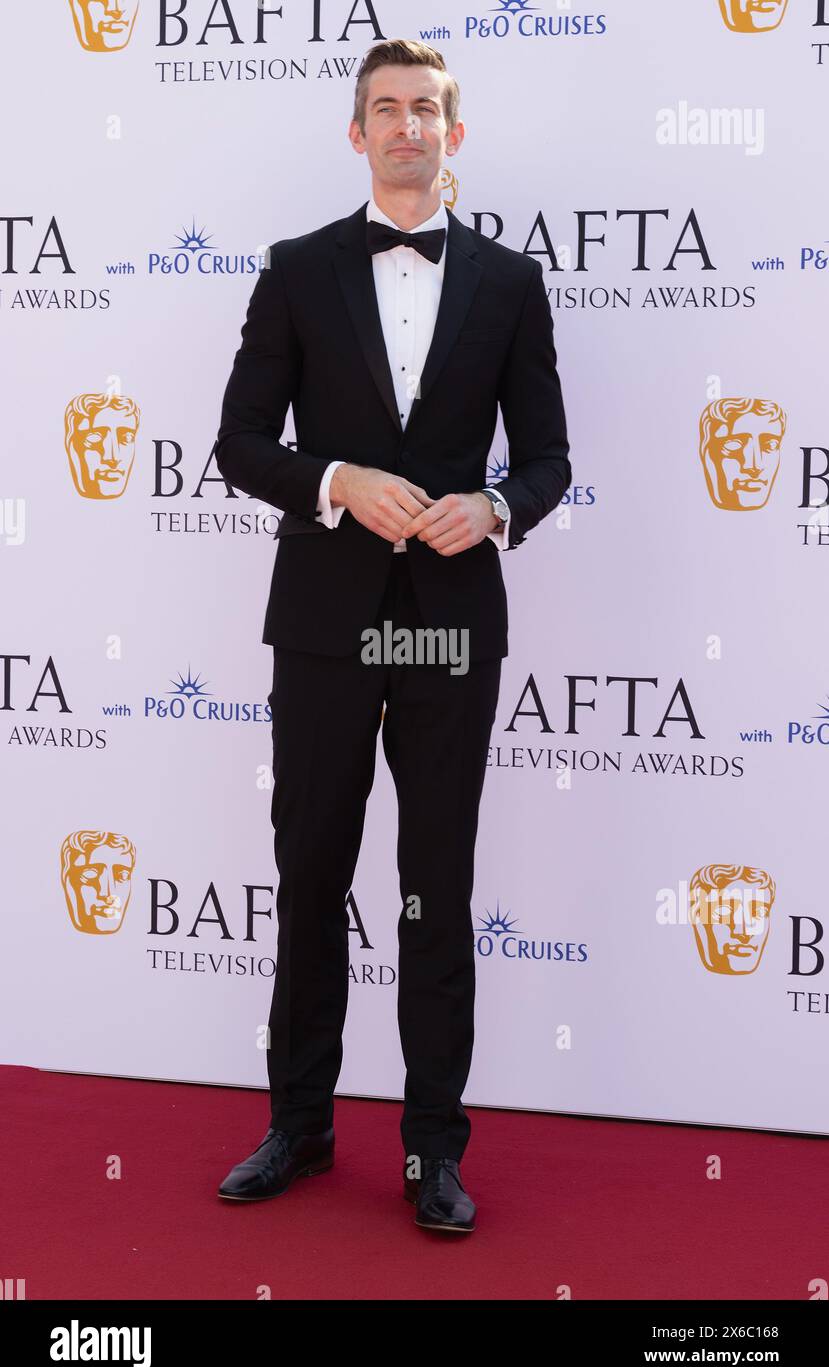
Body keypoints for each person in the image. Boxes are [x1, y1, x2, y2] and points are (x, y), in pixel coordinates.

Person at [213, 38, 571, 1234]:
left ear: (451, 134)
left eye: (426, 108)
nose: (407, 124)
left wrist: (499, 506)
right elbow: (242, 442)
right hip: (324, 629)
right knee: (312, 872)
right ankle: (299, 1129)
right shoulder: (297, 269)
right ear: (356, 132)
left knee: (434, 885)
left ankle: (432, 1154)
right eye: (386, 108)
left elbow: (552, 457)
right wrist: (334, 482)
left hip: (445, 631)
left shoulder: (511, 283)